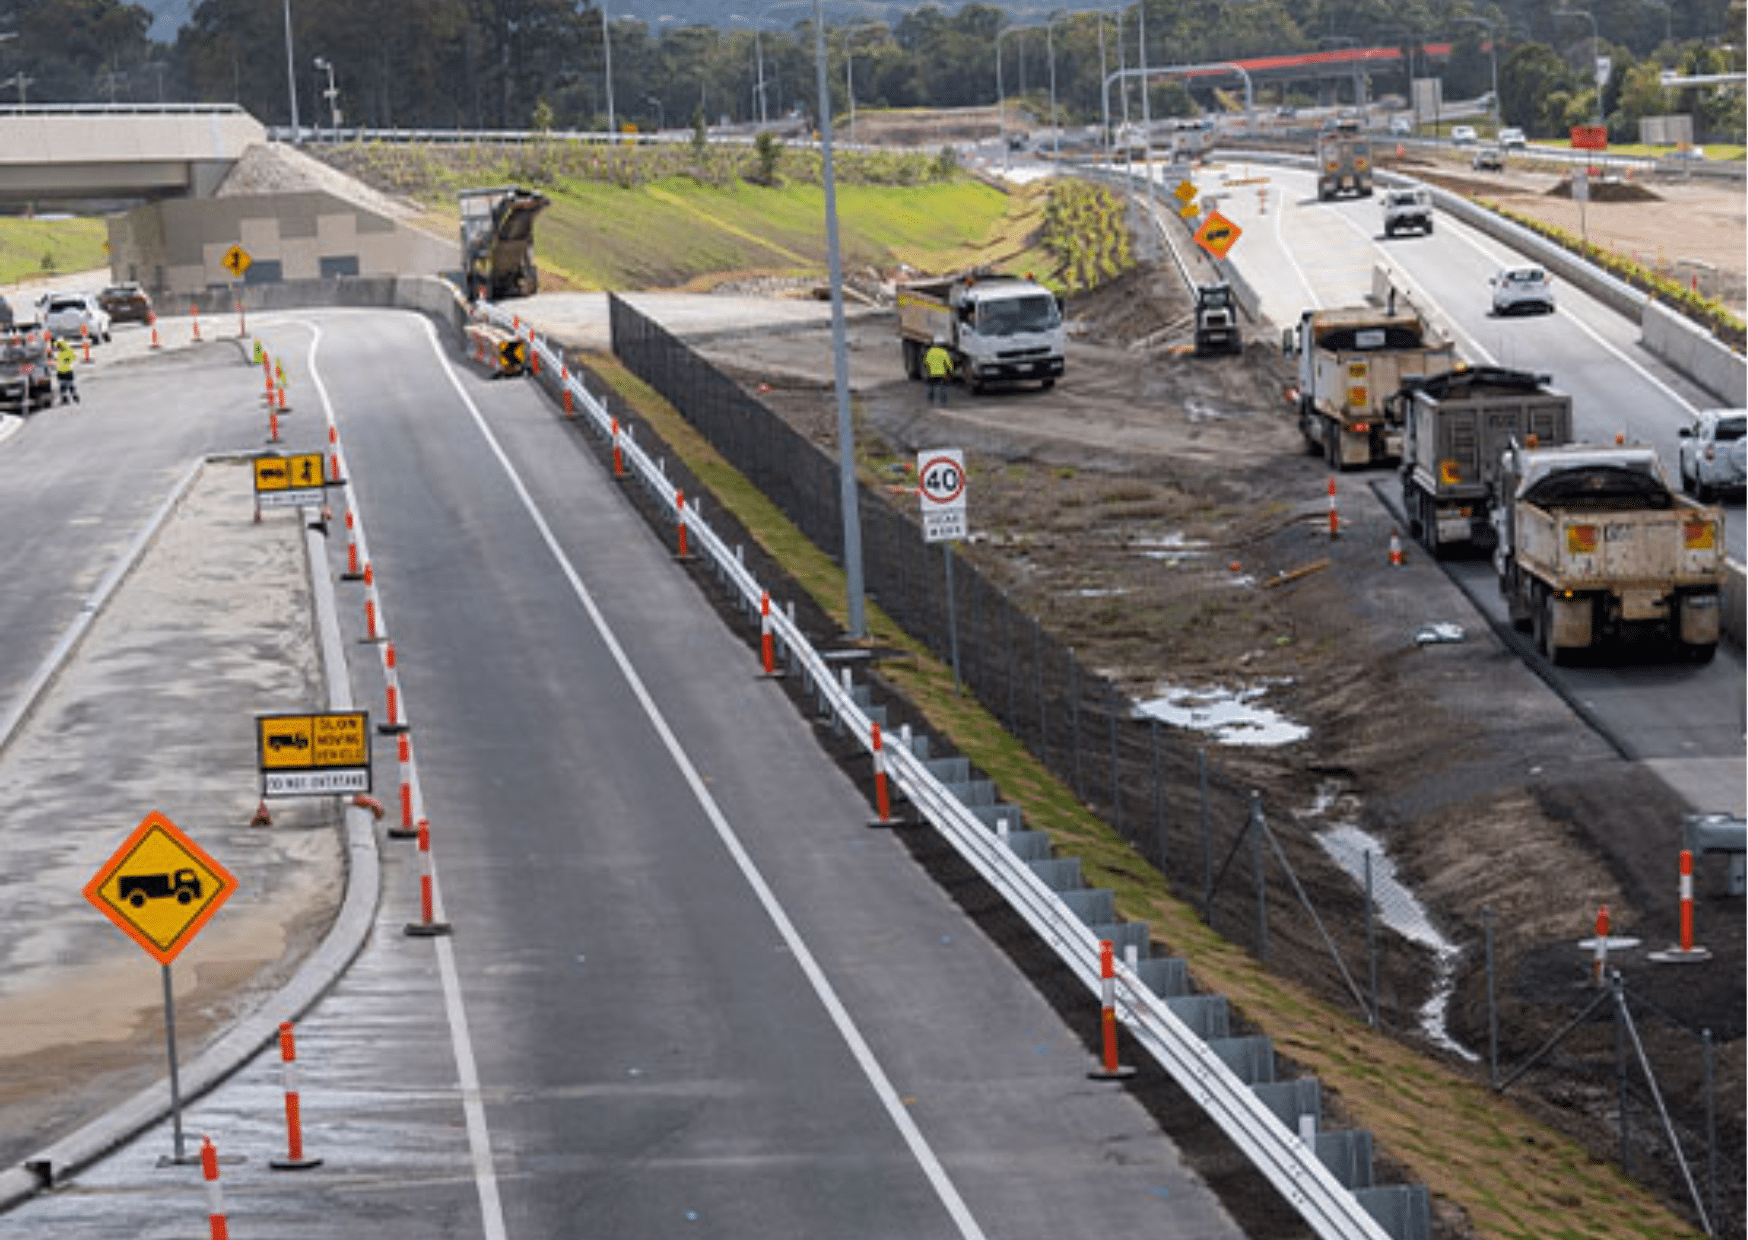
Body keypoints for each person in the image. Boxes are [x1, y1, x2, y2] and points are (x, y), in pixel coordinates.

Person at [923, 334, 954, 406]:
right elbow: (949, 364)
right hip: (941, 373)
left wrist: (927, 370)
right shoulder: (944, 352)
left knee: (930, 386)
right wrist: (951, 371)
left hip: (931, 373)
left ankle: (930, 400)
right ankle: (943, 403)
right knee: (943, 388)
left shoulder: (929, 352)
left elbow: (925, 362)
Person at [54, 337, 79, 405]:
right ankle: (74, 395)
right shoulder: (69, 350)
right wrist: (68, 359)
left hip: (61, 371)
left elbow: (57, 361)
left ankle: (65, 397)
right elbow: (74, 357)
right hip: (68, 371)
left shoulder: (59, 353)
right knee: (71, 384)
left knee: (63, 386)